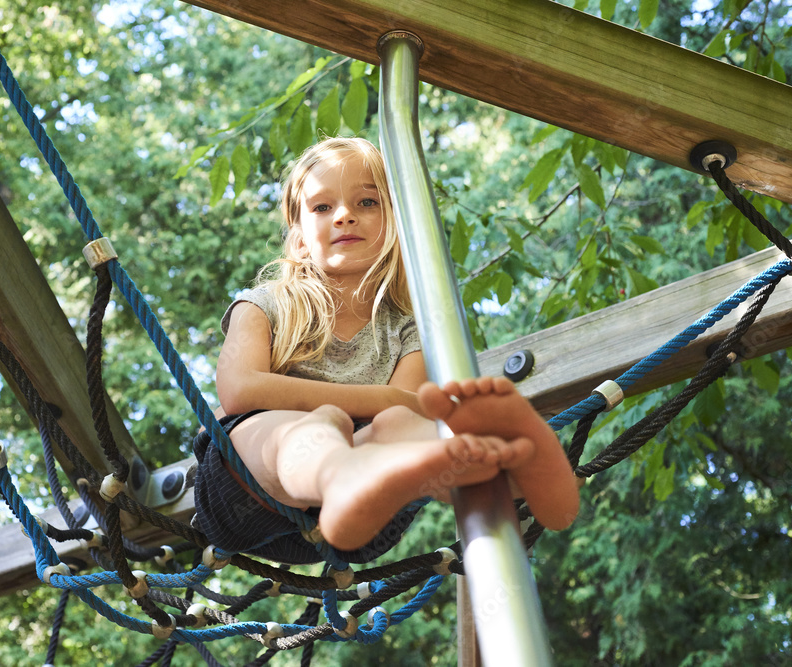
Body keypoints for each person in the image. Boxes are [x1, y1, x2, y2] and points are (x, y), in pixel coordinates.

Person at [191, 137, 579, 565]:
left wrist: (391, 406)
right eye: (322, 208)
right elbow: (239, 392)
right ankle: (338, 472)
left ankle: (513, 472)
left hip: (363, 519)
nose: (344, 216)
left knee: (398, 422)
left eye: (367, 202)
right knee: (322, 424)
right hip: (245, 494)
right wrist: (369, 406)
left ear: (395, 222)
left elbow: (406, 405)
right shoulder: (265, 304)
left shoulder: (412, 328)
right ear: (299, 237)